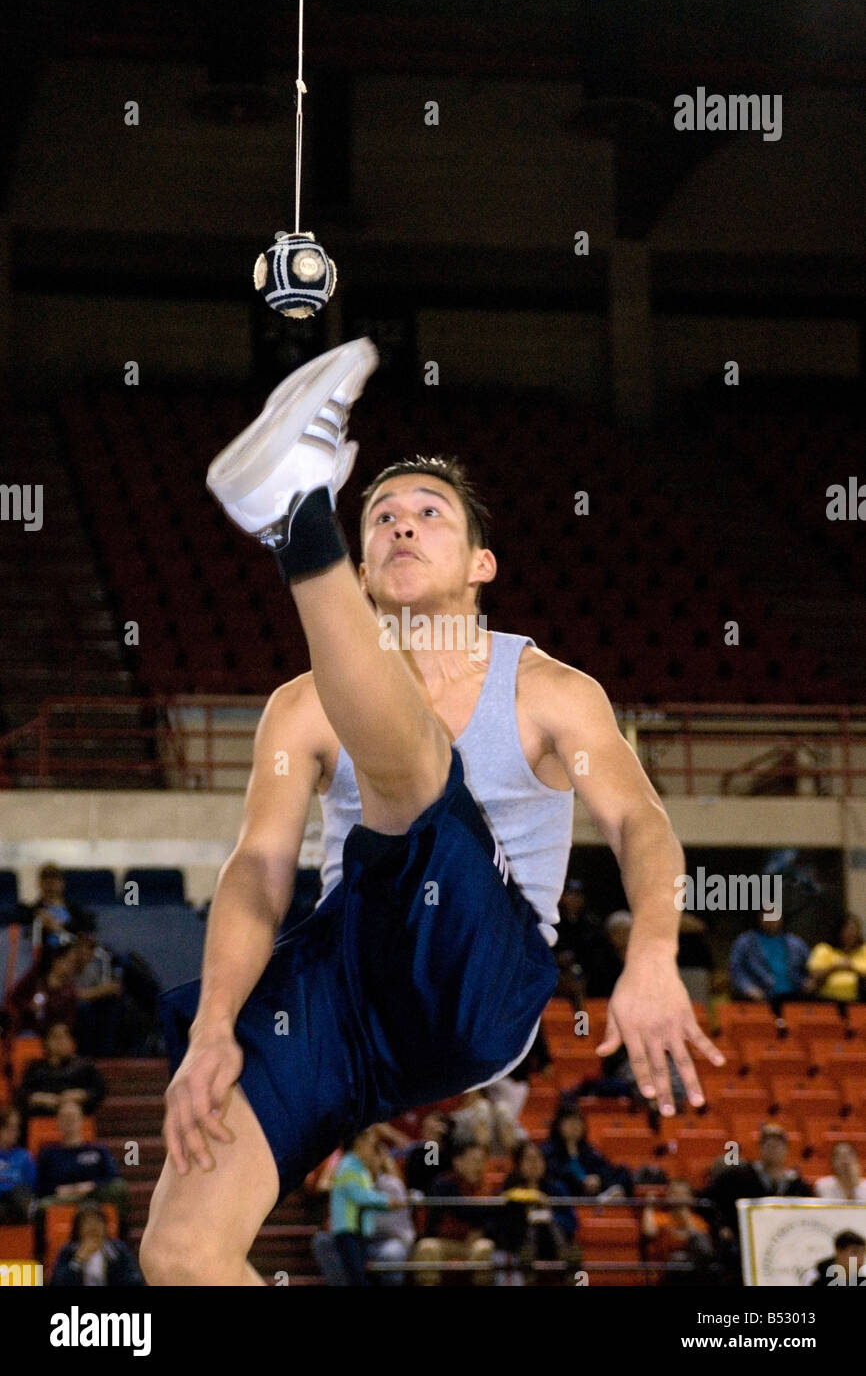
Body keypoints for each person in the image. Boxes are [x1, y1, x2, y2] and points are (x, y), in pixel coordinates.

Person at [138, 337, 724, 1285]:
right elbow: (257, 871)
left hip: (476, 989)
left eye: (430, 514)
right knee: (178, 1251)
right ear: (363, 569)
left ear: (481, 564)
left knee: (415, 789)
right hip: (340, 986)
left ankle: (292, 523)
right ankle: (293, 510)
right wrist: (213, 1025)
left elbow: (639, 823)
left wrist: (652, 950)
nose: (403, 525)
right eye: (379, 517)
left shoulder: (551, 690)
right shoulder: (298, 705)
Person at [703, 1123, 812, 1239]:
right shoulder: (739, 1176)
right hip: (745, 1240)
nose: (773, 1149)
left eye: (777, 1145)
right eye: (768, 1145)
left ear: (787, 1150)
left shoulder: (798, 1185)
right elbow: (711, 1201)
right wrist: (721, 1226)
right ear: (760, 1148)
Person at [35, 1099, 129, 1231]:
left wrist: (92, 1186)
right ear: (57, 1122)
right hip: (62, 1198)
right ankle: (41, 1249)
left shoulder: (98, 1150)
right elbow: (41, 1185)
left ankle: (120, 1239)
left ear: (81, 1120)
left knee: (119, 1187)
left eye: (73, 1117)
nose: (69, 1122)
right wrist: (64, 1190)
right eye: (65, 1117)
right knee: (40, 1206)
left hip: (93, 1196)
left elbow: (112, 1177)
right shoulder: (48, 1153)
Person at [413, 1140, 498, 1285]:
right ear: (458, 1162)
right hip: (445, 1242)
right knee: (427, 1247)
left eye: (482, 1161)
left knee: (484, 1248)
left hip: (472, 1244)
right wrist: (483, 1217)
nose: (479, 1166)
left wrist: (483, 1229)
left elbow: (496, 1219)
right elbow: (462, 1210)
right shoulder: (443, 1184)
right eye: (474, 1161)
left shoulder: (488, 1188)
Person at [496, 1140, 579, 1285]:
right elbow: (504, 1226)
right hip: (522, 1244)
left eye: (539, 1158)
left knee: (574, 1255)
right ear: (519, 1164)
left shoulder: (556, 1189)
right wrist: (527, 1217)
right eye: (529, 1159)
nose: (535, 1164)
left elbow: (571, 1222)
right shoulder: (509, 1190)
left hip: (555, 1243)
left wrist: (551, 1216)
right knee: (525, 1254)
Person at [326, 1127, 399, 1286]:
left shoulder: (358, 1167)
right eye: (371, 1145)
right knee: (356, 1278)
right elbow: (360, 1196)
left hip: (357, 1231)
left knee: (359, 1276)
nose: (372, 1150)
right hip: (348, 1231)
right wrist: (387, 1201)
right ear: (360, 1143)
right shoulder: (348, 1166)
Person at [16, 1021, 106, 1124]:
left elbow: (99, 1091)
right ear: (46, 1042)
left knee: (70, 1110)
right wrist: (39, 1098)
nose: (60, 1041)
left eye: (64, 1037)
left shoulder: (84, 1066)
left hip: (75, 1114)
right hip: (42, 1113)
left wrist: (81, 1095)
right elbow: (22, 1093)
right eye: (56, 1037)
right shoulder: (35, 1068)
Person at [542, 1104, 633, 1199]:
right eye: (570, 1121)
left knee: (623, 1172)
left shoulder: (590, 1151)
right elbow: (553, 1176)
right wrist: (582, 1182)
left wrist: (599, 1180)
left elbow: (605, 1170)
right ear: (558, 1125)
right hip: (570, 1195)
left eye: (578, 1121)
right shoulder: (548, 1152)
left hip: (596, 1192)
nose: (575, 1126)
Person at [728, 910, 813, 1009]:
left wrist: (810, 981)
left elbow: (810, 966)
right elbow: (736, 969)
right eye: (767, 914)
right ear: (759, 917)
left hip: (794, 995)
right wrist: (748, 988)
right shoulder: (745, 941)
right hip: (762, 997)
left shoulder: (795, 942)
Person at [641, 1177, 716, 1285]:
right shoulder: (661, 1217)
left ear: (691, 1198)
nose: (679, 1198)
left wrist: (687, 1219)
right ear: (668, 1196)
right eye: (674, 1193)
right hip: (667, 1271)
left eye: (683, 1194)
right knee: (679, 1260)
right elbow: (649, 1232)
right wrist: (649, 1206)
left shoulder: (698, 1221)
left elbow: (704, 1250)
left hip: (696, 1271)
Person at [48, 1204, 144, 1287]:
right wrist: (77, 1261)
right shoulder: (68, 1251)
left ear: (105, 1225)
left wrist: (114, 1262)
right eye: (87, 1222)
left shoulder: (118, 1249)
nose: (93, 1226)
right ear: (78, 1228)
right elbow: (57, 1283)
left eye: (98, 1221)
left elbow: (136, 1280)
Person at [367, 1138, 416, 1286]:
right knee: (325, 1242)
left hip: (391, 1240)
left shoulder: (392, 1185)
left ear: (380, 1158)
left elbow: (393, 1225)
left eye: (371, 1156)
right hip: (363, 1241)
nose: (367, 1161)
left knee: (391, 1254)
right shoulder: (353, 1184)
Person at [6, 940, 81, 1036]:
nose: (71, 966)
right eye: (68, 961)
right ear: (56, 960)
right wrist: (29, 1006)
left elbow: (69, 1020)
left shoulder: (70, 991)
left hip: (52, 1035)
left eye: (74, 963)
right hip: (25, 1028)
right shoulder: (35, 977)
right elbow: (14, 998)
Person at [19, 864, 96, 952]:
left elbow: (85, 933)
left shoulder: (76, 911)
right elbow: (29, 937)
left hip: (74, 952)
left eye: (54, 879)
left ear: (62, 883)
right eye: (46, 879)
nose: (50, 883)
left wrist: (57, 927)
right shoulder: (32, 912)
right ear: (40, 883)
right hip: (47, 955)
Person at [807, 914, 866, 1004]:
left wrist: (852, 968)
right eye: (847, 929)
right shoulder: (824, 949)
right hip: (827, 1001)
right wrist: (835, 967)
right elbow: (814, 975)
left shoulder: (864, 950)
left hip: (859, 1001)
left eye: (854, 930)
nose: (851, 934)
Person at [0, 1107, 37, 1224]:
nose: (16, 1133)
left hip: (18, 1207)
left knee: (19, 1195)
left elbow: (31, 1186)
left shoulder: (24, 1156)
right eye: (10, 1128)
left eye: (17, 1128)